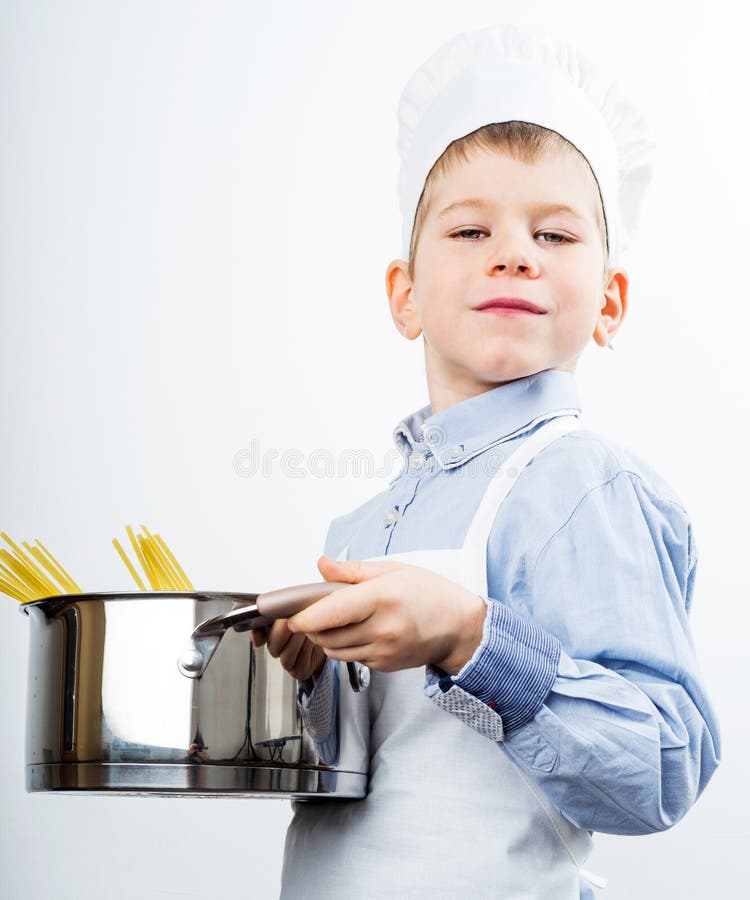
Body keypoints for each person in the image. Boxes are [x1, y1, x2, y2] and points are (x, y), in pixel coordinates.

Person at [255, 24, 722, 899]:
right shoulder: (362, 525)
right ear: (405, 295)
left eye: (555, 235)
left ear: (610, 301)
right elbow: (374, 781)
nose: (513, 252)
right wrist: (307, 680)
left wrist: (472, 638)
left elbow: (663, 765)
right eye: (470, 230)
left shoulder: (583, 485)